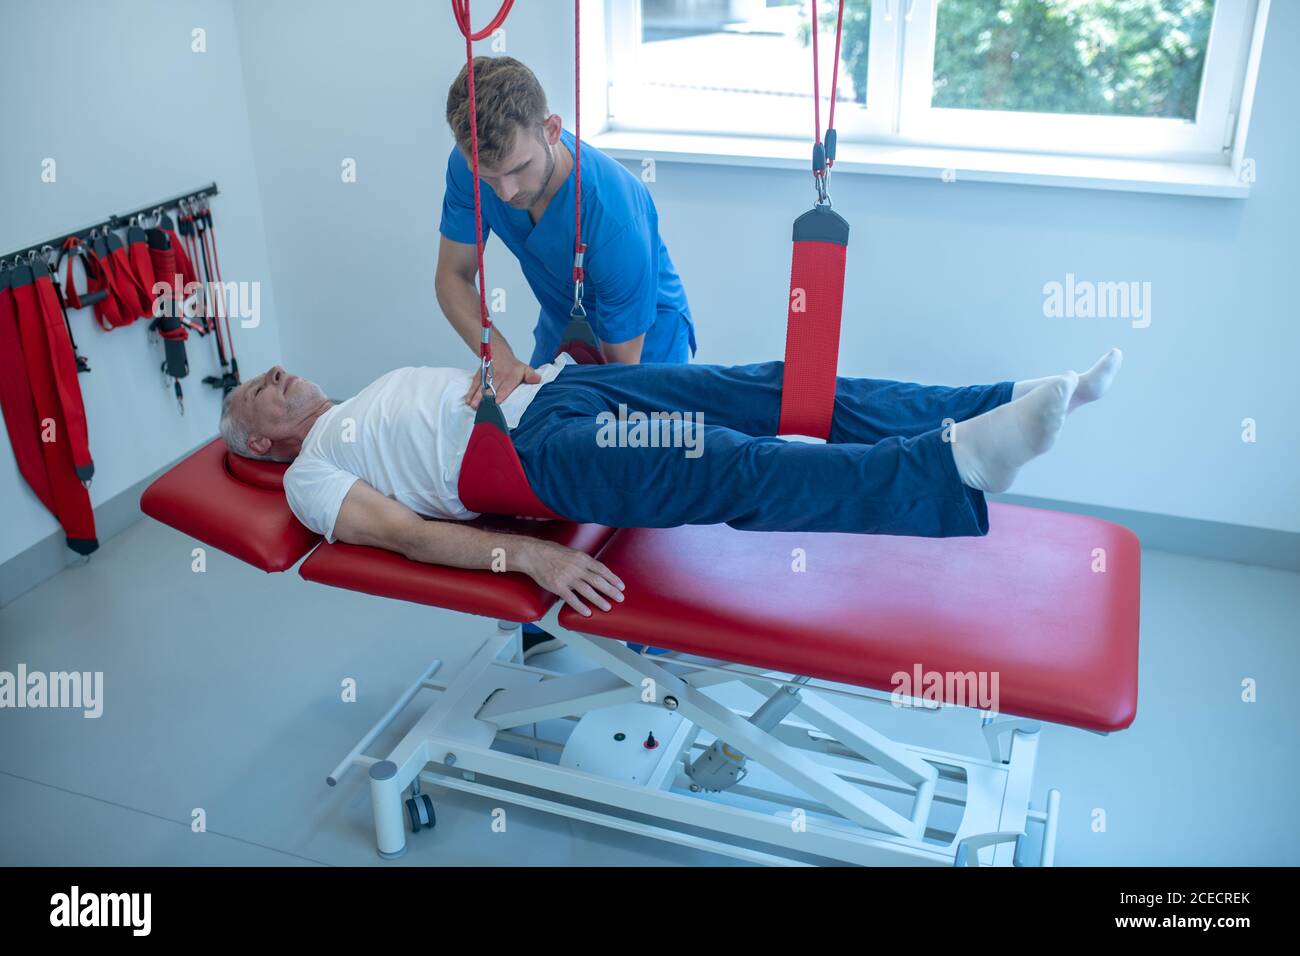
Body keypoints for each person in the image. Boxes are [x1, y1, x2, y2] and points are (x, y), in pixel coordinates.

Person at [217, 350, 1122, 617]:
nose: (275, 376)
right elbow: (407, 536)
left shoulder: (362, 388)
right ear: (263, 441)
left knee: (771, 387)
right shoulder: (311, 474)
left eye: (267, 371)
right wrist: (530, 554)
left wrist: (511, 374)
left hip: (557, 395)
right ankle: (956, 469)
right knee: (726, 458)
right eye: (259, 392)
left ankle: (994, 401)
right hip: (543, 462)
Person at [436, 55, 695, 409]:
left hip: (643, 341)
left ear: (552, 130)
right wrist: (499, 357)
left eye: (520, 168)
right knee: (531, 431)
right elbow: (452, 275)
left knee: (623, 447)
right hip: (563, 323)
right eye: (488, 177)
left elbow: (621, 377)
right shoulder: (469, 167)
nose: (506, 192)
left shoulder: (615, 217)